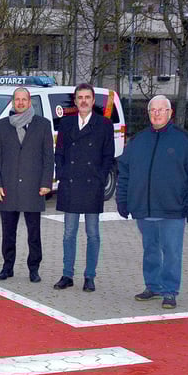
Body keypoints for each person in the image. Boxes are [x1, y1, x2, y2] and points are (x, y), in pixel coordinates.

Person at [117, 95, 188, 310]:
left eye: (161, 110)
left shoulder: (184, 141)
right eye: (152, 110)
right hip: (144, 208)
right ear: (148, 114)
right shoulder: (138, 141)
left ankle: (170, 291)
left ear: (169, 113)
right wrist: (122, 200)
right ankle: (153, 286)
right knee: (150, 250)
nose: (156, 113)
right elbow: (124, 173)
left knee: (172, 252)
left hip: (173, 210)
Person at [53, 83, 115, 293]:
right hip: (70, 184)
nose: (84, 101)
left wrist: (100, 177)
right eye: (80, 97)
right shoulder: (66, 123)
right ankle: (67, 274)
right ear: (75, 100)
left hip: (91, 185)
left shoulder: (104, 124)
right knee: (69, 233)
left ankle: (89, 276)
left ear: (93, 100)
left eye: (87, 97)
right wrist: (61, 173)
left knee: (92, 234)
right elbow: (59, 152)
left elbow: (108, 156)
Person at [0, 87, 53, 283]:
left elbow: (48, 157)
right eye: (17, 99)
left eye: (24, 99)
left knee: (34, 233)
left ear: (29, 101)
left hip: (34, 188)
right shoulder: (2, 126)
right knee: (8, 232)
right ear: (12, 102)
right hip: (8, 188)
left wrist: (46, 182)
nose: (20, 103)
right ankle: (7, 267)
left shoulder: (43, 125)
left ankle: (34, 269)